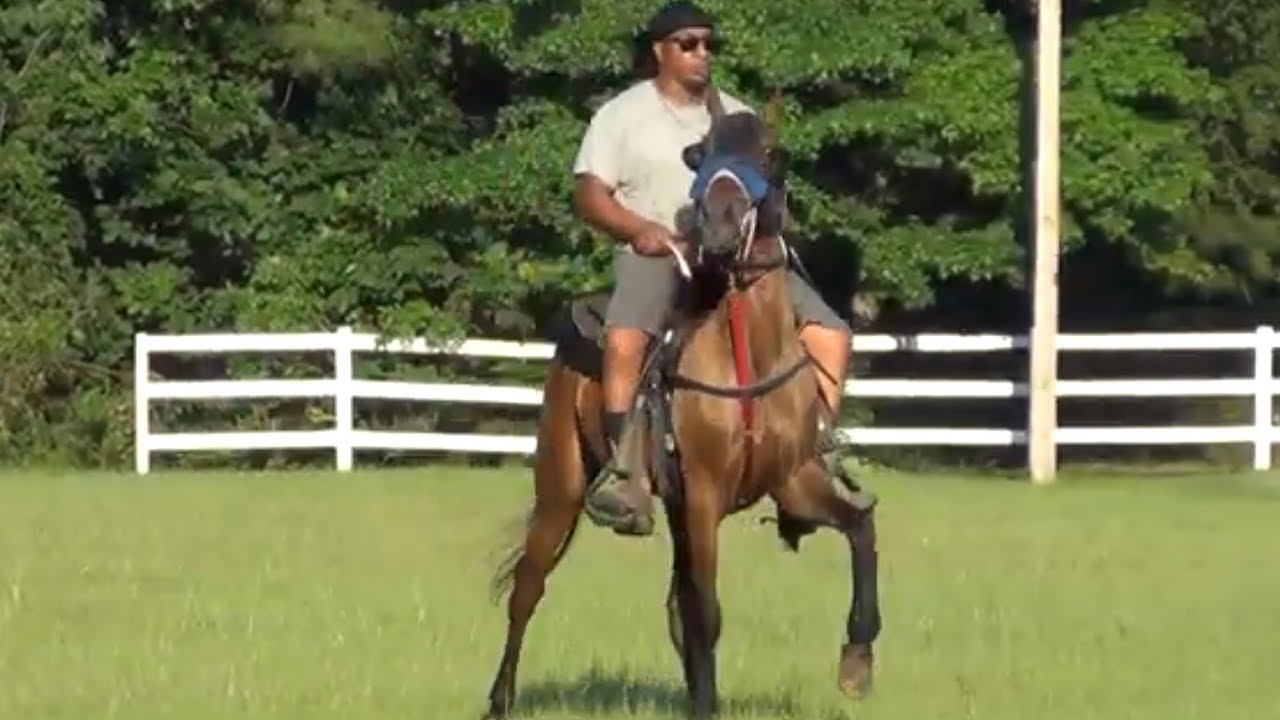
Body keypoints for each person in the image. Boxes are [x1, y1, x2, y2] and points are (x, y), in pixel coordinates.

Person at [570, 1, 873, 536]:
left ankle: (812, 450)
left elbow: (770, 195)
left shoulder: (735, 117)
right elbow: (589, 195)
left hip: (740, 262)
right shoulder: (621, 116)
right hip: (659, 254)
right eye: (688, 44)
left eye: (709, 44)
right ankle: (626, 471)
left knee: (832, 334)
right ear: (659, 51)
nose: (702, 53)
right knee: (625, 339)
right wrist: (638, 230)